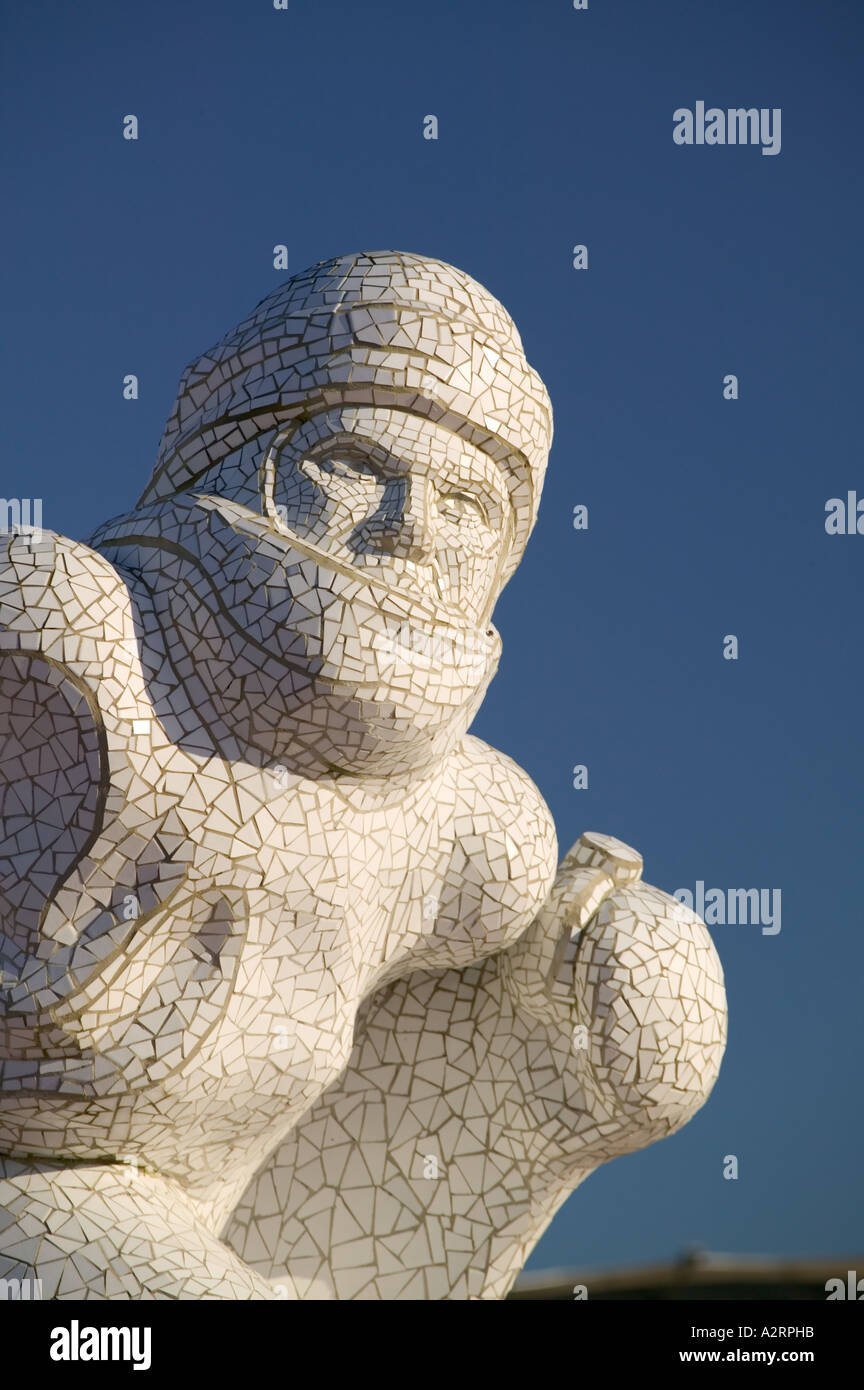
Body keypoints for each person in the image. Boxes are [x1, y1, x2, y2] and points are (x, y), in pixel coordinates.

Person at [0, 251, 725, 1299]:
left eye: (469, 502)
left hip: (209, 1213)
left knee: (649, 985)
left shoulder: (470, 828)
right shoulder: (68, 640)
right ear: (239, 451)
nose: (411, 527)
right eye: (353, 463)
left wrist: (606, 1005)